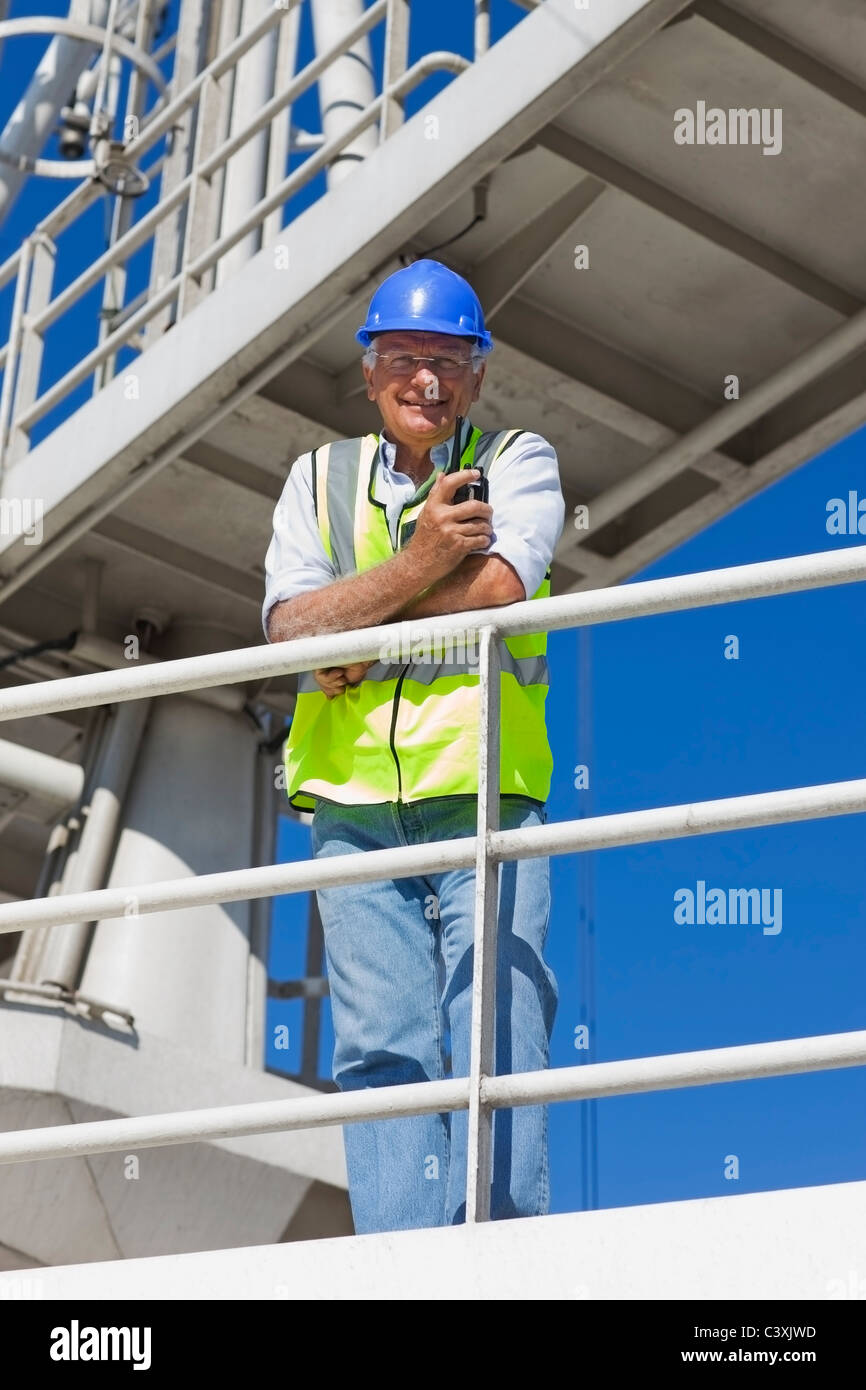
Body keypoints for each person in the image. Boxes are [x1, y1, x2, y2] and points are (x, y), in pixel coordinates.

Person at [262, 258, 564, 1233]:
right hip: (352, 814)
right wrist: (429, 557)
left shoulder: (518, 458)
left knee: (499, 1024)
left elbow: (502, 585)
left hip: (482, 792)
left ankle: (498, 1257)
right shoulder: (316, 480)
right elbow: (289, 633)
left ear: (476, 371)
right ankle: (399, 1269)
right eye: (403, 357)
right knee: (380, 1049)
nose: (424, 379)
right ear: (367, 369)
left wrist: (352, 623)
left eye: (446, 358)